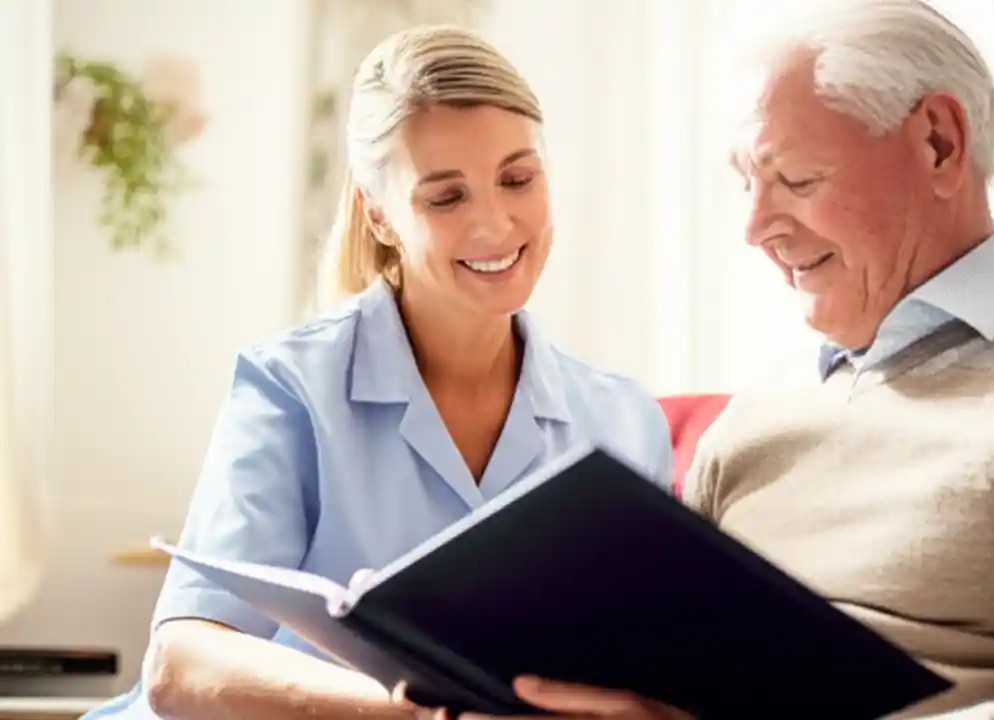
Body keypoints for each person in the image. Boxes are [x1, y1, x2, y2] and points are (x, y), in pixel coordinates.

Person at [461, 1, 994, 718]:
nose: (756, 229)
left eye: (796, 179)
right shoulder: (757, 416)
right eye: (746, 186)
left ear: (939, 143)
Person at [83, 24, 672, 720]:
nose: (494, 224)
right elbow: (180, 664)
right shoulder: (292, 387)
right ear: (381, 215)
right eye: (446, 198)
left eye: (518, 179)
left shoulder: (624, 422)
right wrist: (416, 713)